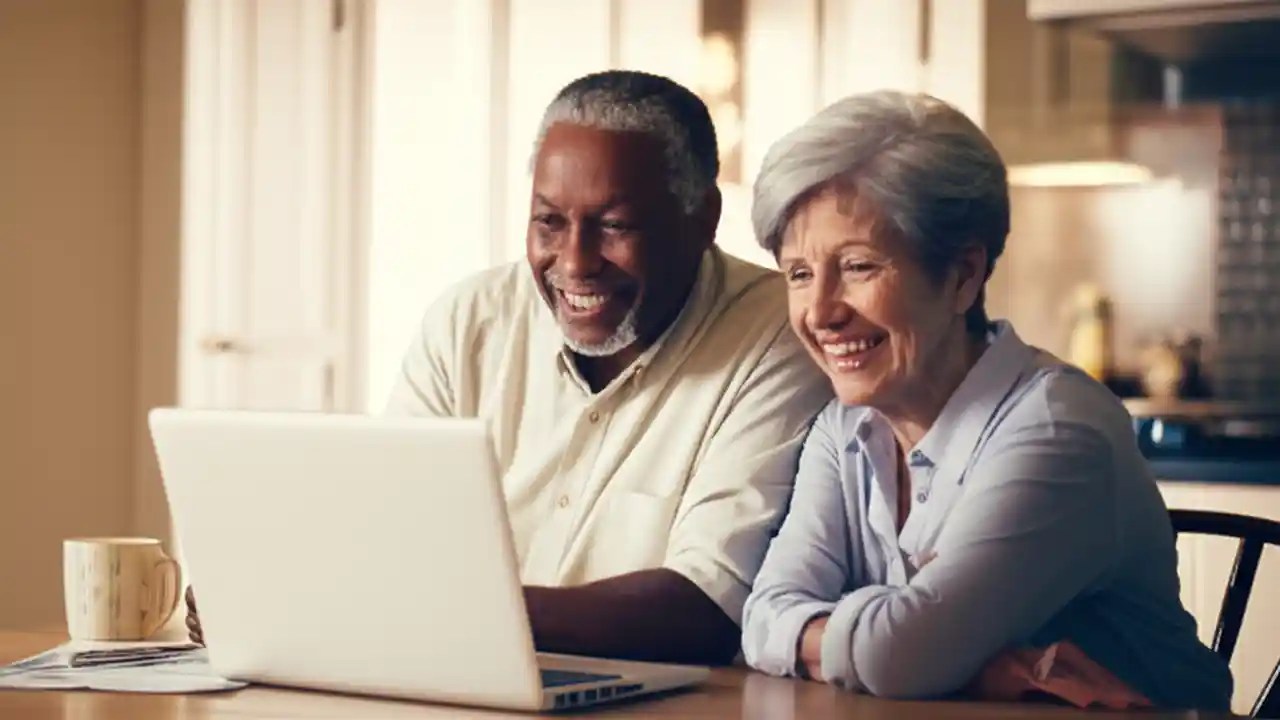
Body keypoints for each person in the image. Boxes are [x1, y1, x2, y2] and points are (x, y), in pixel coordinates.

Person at [186, 70, 831, 665]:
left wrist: (424, 614)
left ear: (703, 219)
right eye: (549, 222)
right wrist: (282, 591)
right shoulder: (471, 320)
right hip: (453, 679)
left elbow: (706, 607)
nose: (574, 262)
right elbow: (391, 535)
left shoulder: (777, 332)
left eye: (614, 226)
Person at [739, 90, 1233, 709]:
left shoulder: (1057, 430)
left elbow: (902, 655)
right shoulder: (845, 430)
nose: (820, 313)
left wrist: (907, 649)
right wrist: (951, 661)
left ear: (962, 276)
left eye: (859, 267)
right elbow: (761, 618)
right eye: (799, 274)